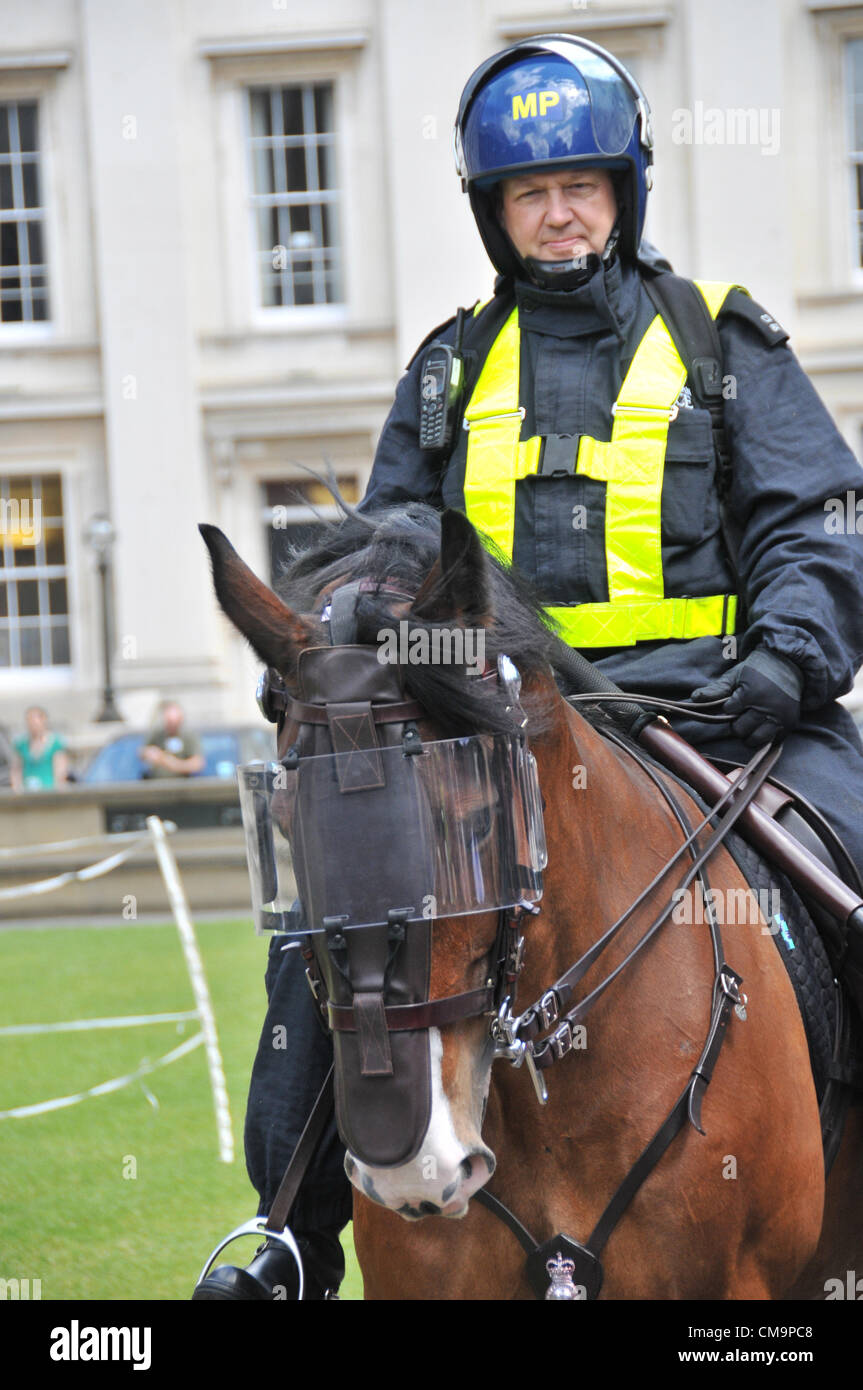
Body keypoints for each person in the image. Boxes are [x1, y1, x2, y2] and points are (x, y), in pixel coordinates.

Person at [205, 33, 863, 1301]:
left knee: (856, 884)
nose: (556, 213)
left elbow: (816, 522)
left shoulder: (721, 345)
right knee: (323, 929)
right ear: (493, 212)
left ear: (623, 193)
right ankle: (286, 1236)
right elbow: (384, 556)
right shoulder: (448, 369)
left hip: (724, 716)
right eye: (527, 192)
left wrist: (788, 655)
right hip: (494, 734)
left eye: (580, 186)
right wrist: (335, 662)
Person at [139, 700, 205, 779]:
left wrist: (168, 761)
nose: (172, 726)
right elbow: (141, 752)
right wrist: (149, 753)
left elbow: (197, 764)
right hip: (157, 785)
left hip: (181, 787)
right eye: (169, 722)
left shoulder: (188, 736)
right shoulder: (157, 734)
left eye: (175, 722)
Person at [11, 706, 68, 790]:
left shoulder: (55, 743)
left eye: (34, 722)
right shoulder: (21, 744)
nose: (32, 725)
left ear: (43, 720)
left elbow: (61, 771)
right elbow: (16, 770)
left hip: (48, 791)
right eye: (29, 722)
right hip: (26, 792)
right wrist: (17, 789)